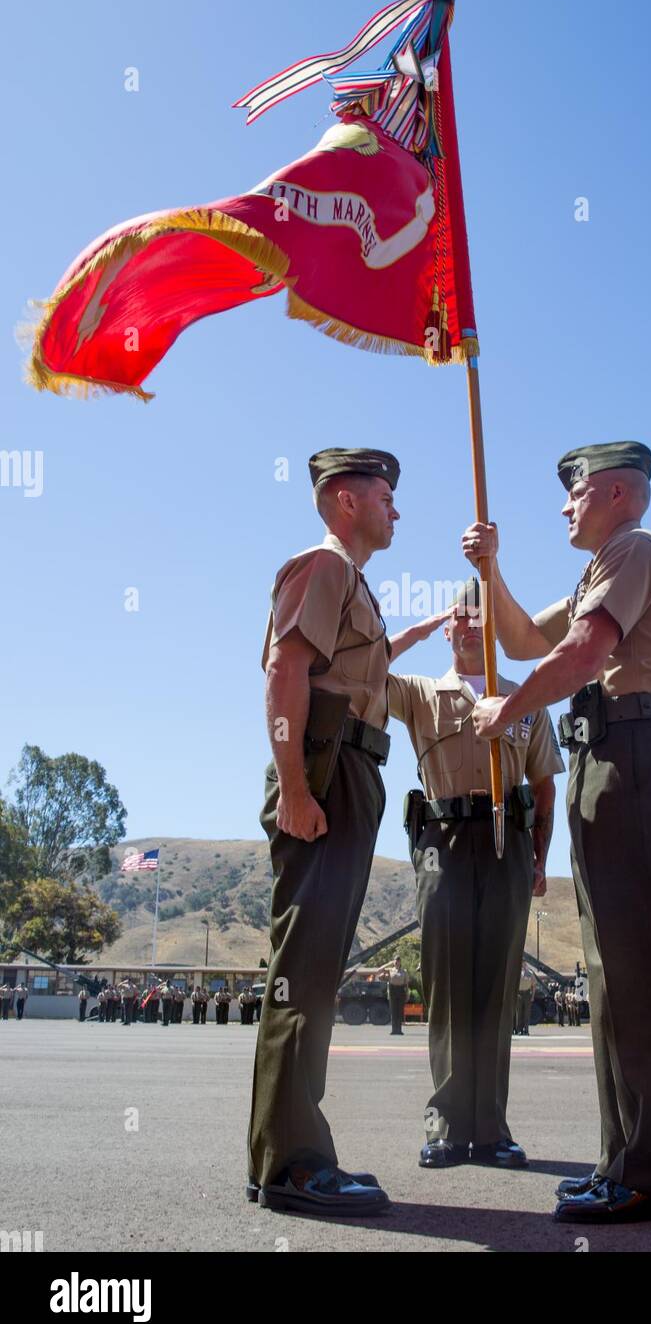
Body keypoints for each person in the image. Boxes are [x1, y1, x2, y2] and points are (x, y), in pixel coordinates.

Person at [464, 439, 651, 1224]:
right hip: (610, 753)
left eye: (574, 494)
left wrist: (511, 708)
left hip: (632, 752)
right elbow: (522, 642)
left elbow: (583, 651)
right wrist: (490, 571)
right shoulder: (606, 565)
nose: (564, 508)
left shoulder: (635, 549)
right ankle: (624, 1164)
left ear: (615, 493)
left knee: (636, 969)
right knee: (612, 971)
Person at [246, 448, 400, 1219]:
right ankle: (293, 1165)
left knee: (314, 970)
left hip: (352, 768)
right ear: (345, 499)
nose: (395, 510)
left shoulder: (350, 579)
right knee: (302, 972)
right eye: (385, 496)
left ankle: (290, 1158)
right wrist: (298, 788)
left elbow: (353, 671)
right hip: (327, 771)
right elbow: (284, 674)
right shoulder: (324, 565)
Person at [387, 585, 562, 1169]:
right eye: (458, 617)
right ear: (445, 628)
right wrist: (412, 631)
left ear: (493, 629)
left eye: (478, 617)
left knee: (495, 988)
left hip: (506, 842)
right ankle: (445, 1124)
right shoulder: (417, 692)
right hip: (442, 843)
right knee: (445, 987)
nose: (467, 626)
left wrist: (539, 858)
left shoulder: (527, 699)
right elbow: (363, 670)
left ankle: (490, 1128)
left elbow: (543, 787)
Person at [374, 957, 409, 1036]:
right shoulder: (390, 970)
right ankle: (394, 1030)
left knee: (399, 1011)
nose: (397, 962)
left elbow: (406, 984)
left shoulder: (404, 971)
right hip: (393, 990)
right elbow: (379, 970)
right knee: (393, 1010)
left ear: (400, 962)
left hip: (401, 990)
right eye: (396, 961)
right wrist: (389, 963)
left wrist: (407, 994)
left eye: (398, 961)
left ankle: (399, 1030)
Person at [516, 964, 536, 1037]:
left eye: (524, 964)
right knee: (519, 1013)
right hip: (519, 994)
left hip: (527, 993)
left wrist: (533, 996)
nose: (523, 965)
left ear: (526, 965)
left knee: (527, 1013)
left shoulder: (530, 974)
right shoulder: (517, 973)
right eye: (521, 964)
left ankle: (526, 1030)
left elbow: (534, 986)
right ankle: (519, 1030)